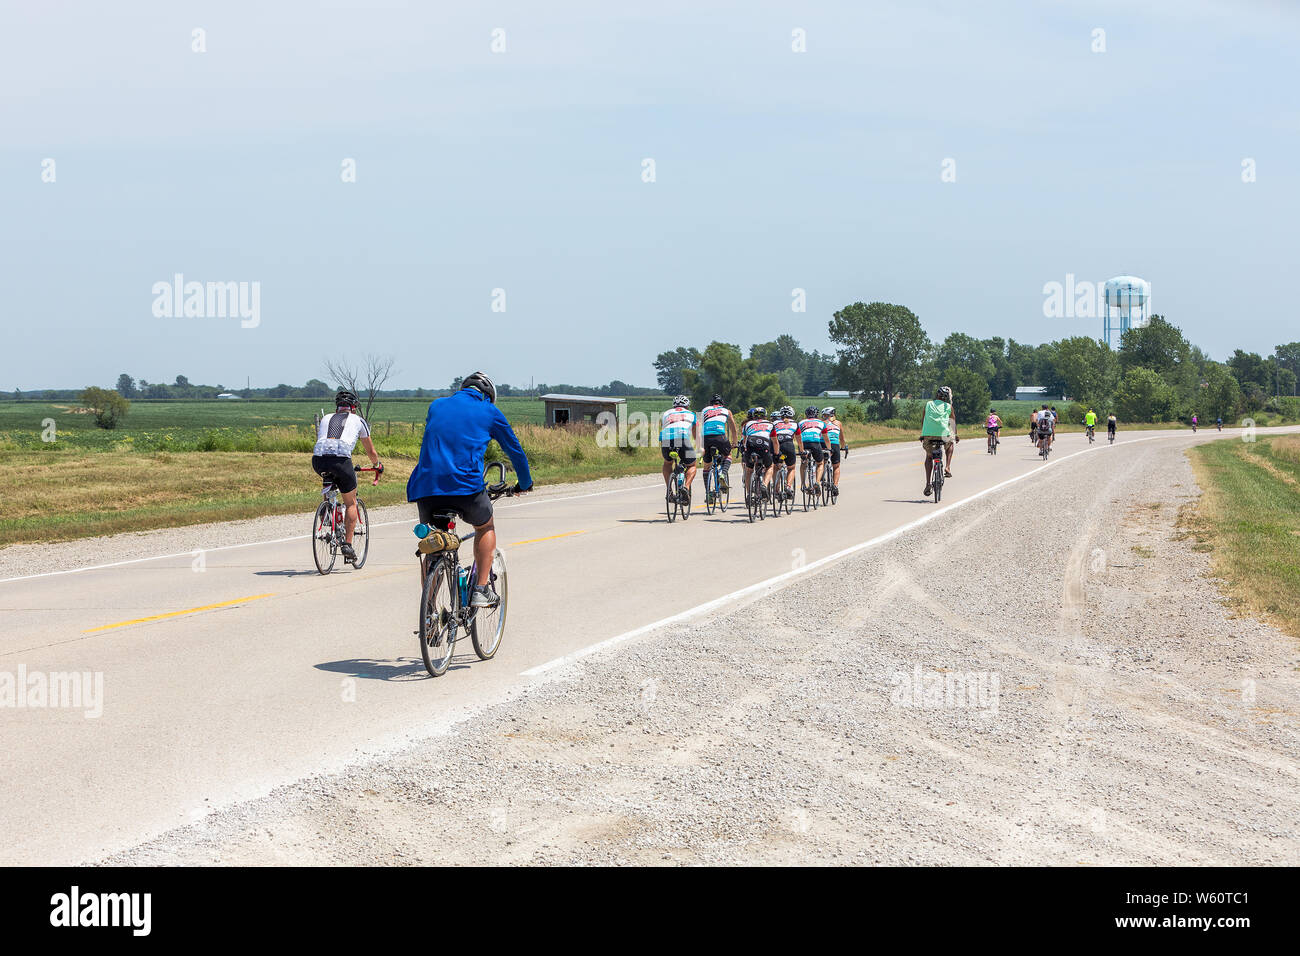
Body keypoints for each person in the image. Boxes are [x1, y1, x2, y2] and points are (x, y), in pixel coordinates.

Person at [406, 372, 532, 607]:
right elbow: (515, 451)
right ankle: (481, 590)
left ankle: (430, 611)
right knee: (485, 526)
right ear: (487, 396)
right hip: (466, 488)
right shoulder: (489, 411)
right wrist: (525, 483)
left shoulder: (437, 405)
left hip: (426, 488)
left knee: (436, 544)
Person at [312, 389, 383, 564]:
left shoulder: (326, 418)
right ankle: (347, 544)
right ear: (354, 407)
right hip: (342, 460)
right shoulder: (359, 420)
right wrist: (377, 465)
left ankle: (328, 510)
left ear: (337, 408)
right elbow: (371, 451)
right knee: (351, 502)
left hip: (318, 460)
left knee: (329, 479)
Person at [658, 395, 700, 505]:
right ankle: (686, 487)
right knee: (692, 465)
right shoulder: (691, 414)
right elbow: (696, 435)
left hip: (666, 439)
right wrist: (700, 447)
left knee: (667, 463)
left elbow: (664, 427)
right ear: (687, 406)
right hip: (681, 438)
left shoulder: (666, 413)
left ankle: (669, 491)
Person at [698, 394, 738, 503]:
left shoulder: (705, 410)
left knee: (706, 466)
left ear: (710, 404)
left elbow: (699, 425)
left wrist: (699, 444)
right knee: (728, 456)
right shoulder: (726, 411)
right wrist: (734, 442)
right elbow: (733, 428)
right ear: (722, 404)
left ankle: (708, 493)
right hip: (720, 437)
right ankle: (723, 474)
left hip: (705, 438)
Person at [920, 386, 959, 496]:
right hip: (943, 434)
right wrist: (955, 435)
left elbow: (923, 420)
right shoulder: (949, 406)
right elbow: (952, 422)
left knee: (929, 457)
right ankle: (947, 466)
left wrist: (923, 434)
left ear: (937, 394)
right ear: (946, 398)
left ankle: (928, 484)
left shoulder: (928, 404)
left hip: (928, 435)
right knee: (950, 443)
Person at [740, 406, 778, 499]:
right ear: (765, 416)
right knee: (770, 466)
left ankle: (749, 494)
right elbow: (775, 441)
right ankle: (764, 485)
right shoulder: (770, 424)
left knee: (749, 470)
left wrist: (745, 451)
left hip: (750, 446)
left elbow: (744, 440)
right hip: (764, 445)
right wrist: (776, 453)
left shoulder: (747, 424)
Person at [797, 405, 826, 490]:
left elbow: (797, 434)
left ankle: (803, 484)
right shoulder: (821, 423)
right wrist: (829, 448)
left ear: (806, 415)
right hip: (815, 443)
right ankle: (817, 482)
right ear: (817, 415)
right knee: (820, 463)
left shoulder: (801, 422)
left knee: (803, 463)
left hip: (803, 443)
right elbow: (825, 438)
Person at [773, 406, 799, 500]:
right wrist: (802, 450)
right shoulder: (795, 424)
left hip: (777, 446)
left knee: (776, 467)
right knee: (791, 468)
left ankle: (776, 490)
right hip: (788, 446)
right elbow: (799, 440)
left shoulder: (775, 423)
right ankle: (788, 486)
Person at [821, 407, 847, 492]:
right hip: (834, 444)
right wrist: (843, 447)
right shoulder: (838, 423)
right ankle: (835, 485)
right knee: (836, 466)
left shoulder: (821, 423)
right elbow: (842, 439)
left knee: (820, 463)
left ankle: (822, 477)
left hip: (822, 443)